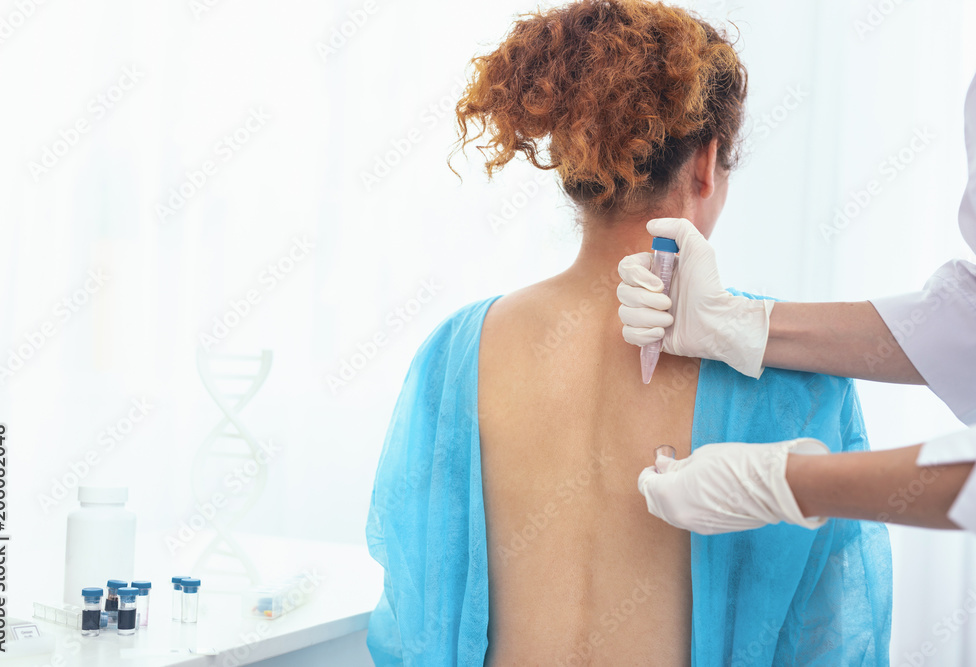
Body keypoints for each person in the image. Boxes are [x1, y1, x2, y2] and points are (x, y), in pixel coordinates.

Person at [365, 2, 891, 665]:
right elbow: (836, 638)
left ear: (573, 163)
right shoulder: (789, 370)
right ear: (706, 164)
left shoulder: (456, 352)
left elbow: (415, 610)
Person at [622, 73, 976, 536]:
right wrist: (737, 324)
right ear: (707, 163)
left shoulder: (493, 338)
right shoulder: (808, 393)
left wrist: (788, 483)